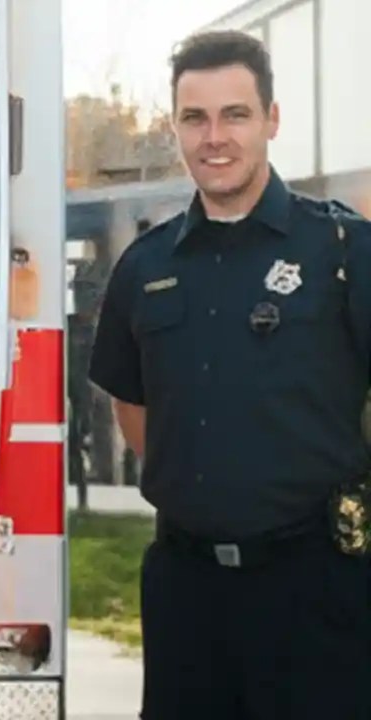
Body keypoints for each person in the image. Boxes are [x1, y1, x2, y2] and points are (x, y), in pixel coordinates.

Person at [88, 30, 371, 719]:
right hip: (188, 596)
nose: (215, 137)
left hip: (317, 591)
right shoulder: (144, 266)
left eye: (235, 114)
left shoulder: (344, 248)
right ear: (176, 127)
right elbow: (135, 408)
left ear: (272, 120)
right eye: (195, 118)